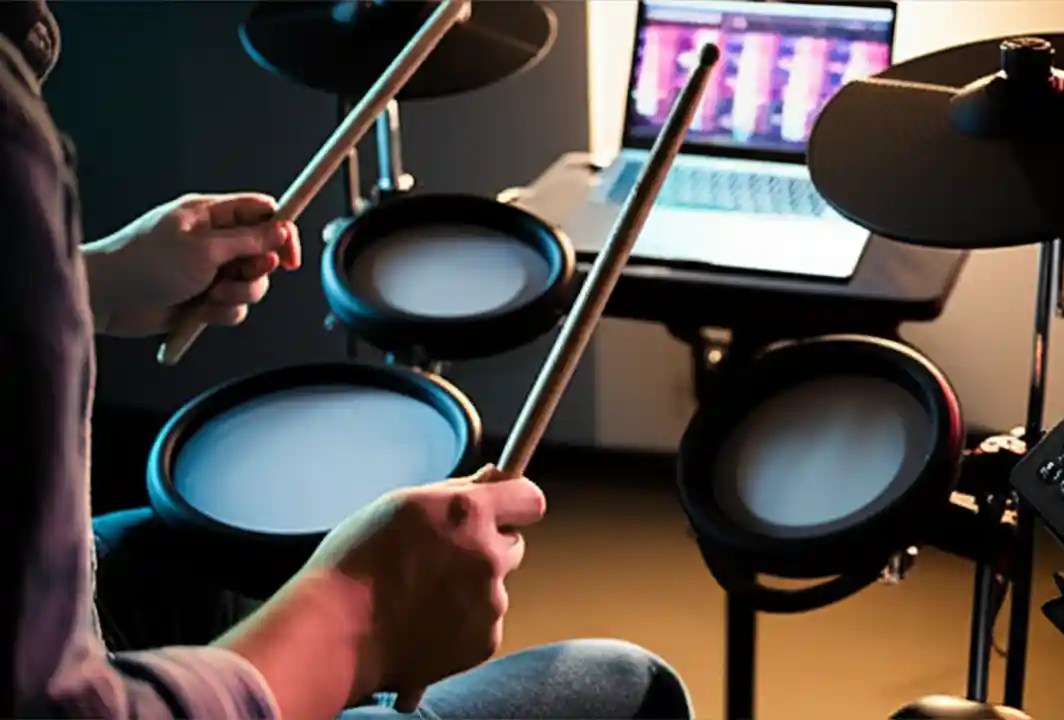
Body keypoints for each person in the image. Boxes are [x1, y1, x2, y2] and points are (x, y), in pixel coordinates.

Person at [0, 2, 693, 718]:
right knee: (633, 689)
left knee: (205, 570)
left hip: (56, 598)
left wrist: (90, 281)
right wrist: (359, 612)